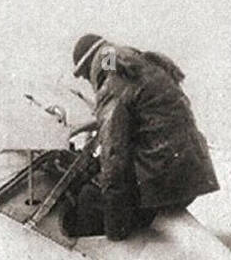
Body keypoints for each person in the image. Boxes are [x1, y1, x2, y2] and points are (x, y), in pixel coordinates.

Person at [62, 33, 220, 241]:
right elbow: (135, 108)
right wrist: (96, 123)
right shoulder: (134, 64)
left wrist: (115, 225)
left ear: (89, 65)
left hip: (163, 182)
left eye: (83, 75)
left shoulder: (112, 77)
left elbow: (114, 154)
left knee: (88, 197)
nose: (86, 80)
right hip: (191, 175)